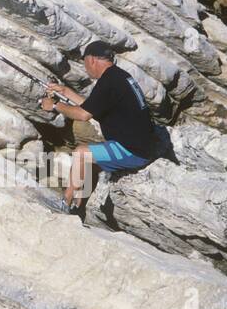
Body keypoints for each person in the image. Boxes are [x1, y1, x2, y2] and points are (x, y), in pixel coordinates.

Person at [39, 40, 162, 207]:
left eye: (85, 63)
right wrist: (66, 91)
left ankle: (64, 203)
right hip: (140, 143)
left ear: (92, 60)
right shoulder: (119, 76)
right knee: (89, 161)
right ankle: (79, 203)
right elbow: (92, 107)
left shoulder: (108, 82)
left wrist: (54, 105)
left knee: (81, 153)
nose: (86, 67)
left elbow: (83, 115)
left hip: (134, 151)